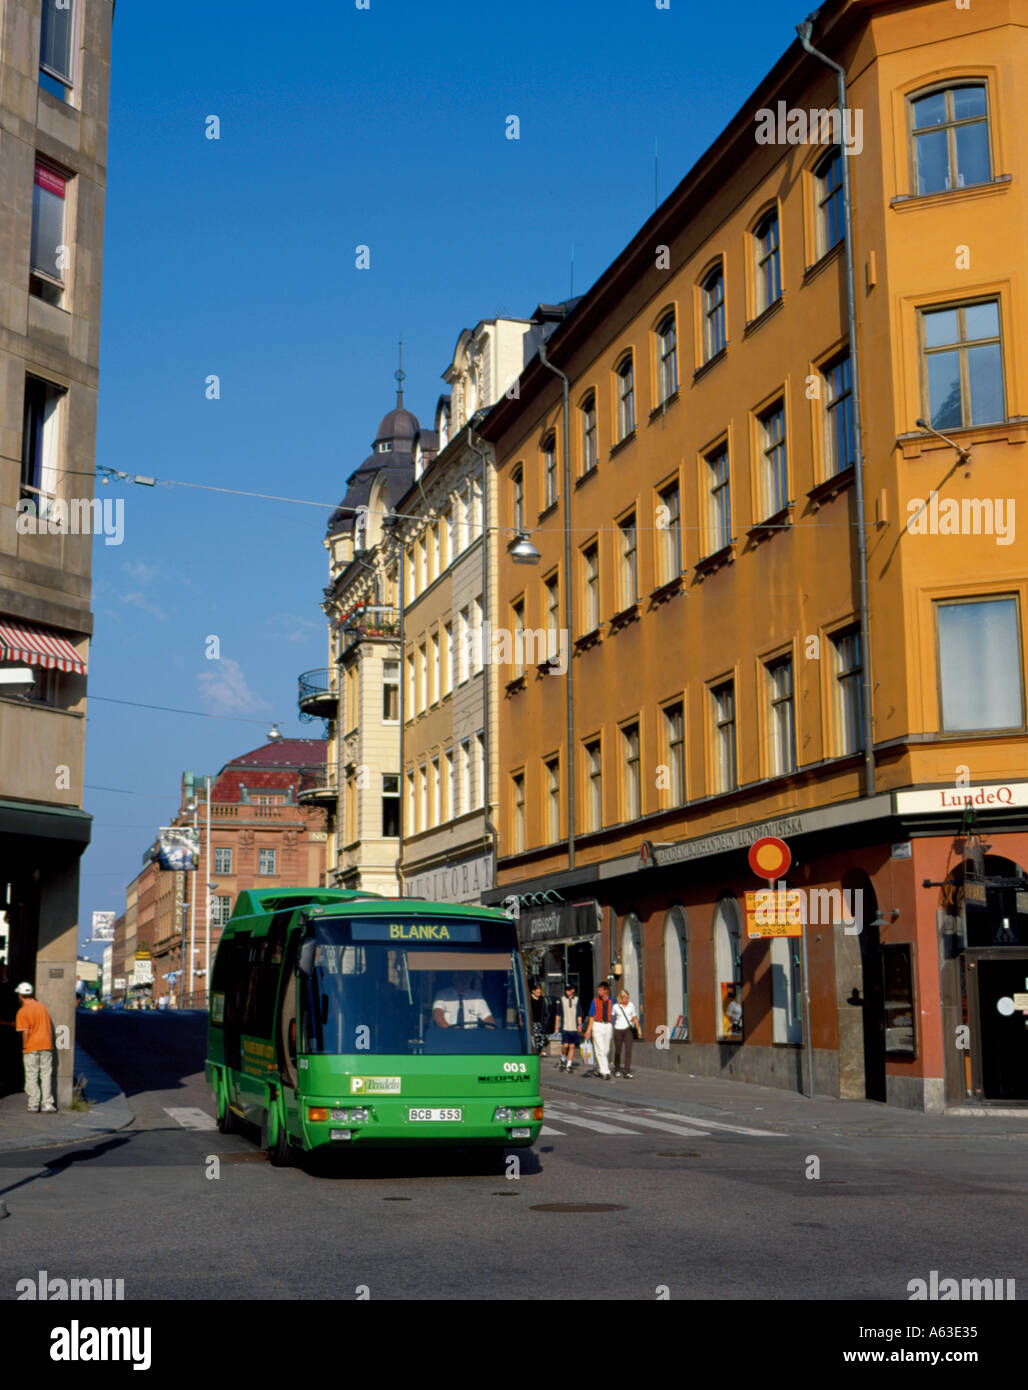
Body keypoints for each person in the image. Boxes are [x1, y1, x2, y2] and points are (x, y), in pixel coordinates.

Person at [4, 983, 57, 1113]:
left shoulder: (22, 1011)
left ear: (20, 995)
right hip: (46, 1045)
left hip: (32, 1046)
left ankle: (34, 1103)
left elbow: (25, 1032)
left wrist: (24, 1047)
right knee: (46, 1075)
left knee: (32, 1075)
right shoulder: (42, 1007)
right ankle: (47, 1104)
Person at [585, 980, 615, 1080]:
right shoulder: (595, 1001)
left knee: (605, 1050)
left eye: (601, 990)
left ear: (606, 991)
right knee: (601, 1049)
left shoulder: (612, 1001)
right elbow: (592, 1017)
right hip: (597, 1025)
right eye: (598, 990)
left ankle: (600, 1068)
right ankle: (606, 1071)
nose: (599, 992)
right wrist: (588, 1030)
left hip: (608, 1026)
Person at [612, 988, 640, 1078]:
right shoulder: (616, 1007)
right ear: (621, 998)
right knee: (618, 1051)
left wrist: (639, 1029)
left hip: (628, 1030)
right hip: (618, 1030)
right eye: (625, 998)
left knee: (628, 1051)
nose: (627, 1000)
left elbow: (635, 1017)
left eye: (628, 998)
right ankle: (617, 1068)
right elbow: (612, 1017)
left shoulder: (631, 1005)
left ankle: (627, 1071)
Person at [556, 982, 582, 1072]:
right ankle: (563, 1057)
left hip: (573, 1027)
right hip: (565, 1026)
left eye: (569, 990)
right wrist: (556, 1025)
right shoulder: (562, 999)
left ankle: (569, 1064)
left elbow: (579, 1014)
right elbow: (558, 1014)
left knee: (572, 1046)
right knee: (565, 1045)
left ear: (573, 990)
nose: (567, 991)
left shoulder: (576, 1000)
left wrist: (579, 1025)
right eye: (566, 990)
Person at [529, 982, 552, 1054]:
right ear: (533, 991)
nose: (539, 992)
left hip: (540, 1022)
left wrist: (546, 1021)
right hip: (532, 1023)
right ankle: (534, 1051)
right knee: (534, 1038)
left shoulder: (542, 1000)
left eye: (540, 990)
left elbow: (546, 1012)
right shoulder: (529, 999)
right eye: (537, 990)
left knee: (541, 1038)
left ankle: (540, 1050)